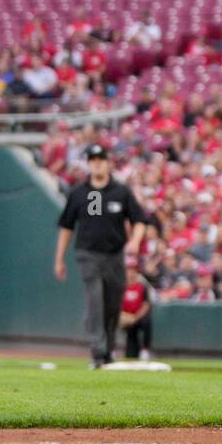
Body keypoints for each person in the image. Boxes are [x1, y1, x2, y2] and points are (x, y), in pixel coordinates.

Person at [54, 144, 148, 368]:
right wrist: (59, 259)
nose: (97, 163)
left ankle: (107, 350)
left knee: (113, 305)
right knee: (94, 300)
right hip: (88, 254)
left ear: (108, 163)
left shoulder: (121, 192)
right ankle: (97, 351)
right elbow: (66, 226)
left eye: (101, 159)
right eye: (93, 159)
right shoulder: (78, 193)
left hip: (115, 255)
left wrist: (135, 240)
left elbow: (140, 220)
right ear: (88, 163)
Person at [119, 265, 155, 360]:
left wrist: (135, 318)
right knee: (130, 355)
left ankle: (145, 350)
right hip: (126, 318)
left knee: (147, 321)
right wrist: (124, 316)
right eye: (128, 271)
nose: (130, 274)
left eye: (132, 271)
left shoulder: (142, 286)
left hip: (138, 317)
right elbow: (116, 304)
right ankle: (111, 350)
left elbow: (146, 304)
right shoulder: (121, 287)